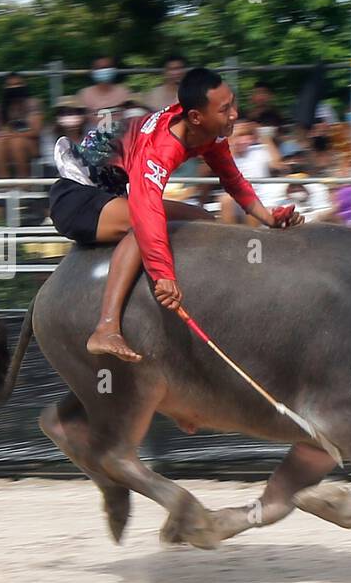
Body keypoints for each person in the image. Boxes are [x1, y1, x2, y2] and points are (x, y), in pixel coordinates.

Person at [45, 66, 303, 362]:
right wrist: (163, 275)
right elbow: (146, 209)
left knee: (206, 220)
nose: (234, 114)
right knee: (143, 222)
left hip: (108, 192)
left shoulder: (208, 132)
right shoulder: (161, 147)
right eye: (225, 109)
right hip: (77, 199)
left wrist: (268, 218)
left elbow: (232, 179)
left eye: (233, 103)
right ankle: (106, 326)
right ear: (196, 117)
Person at [0, 72, 42, 179]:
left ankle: (24, 183)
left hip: (31, 143)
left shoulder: (32, 103)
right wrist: (8, 135)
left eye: (18, 84)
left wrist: (15, 135)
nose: (14, 87)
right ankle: (3, 182)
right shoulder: (5, 107)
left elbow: (35, 131)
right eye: (10, 85)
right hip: (10, 141)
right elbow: (4, 129)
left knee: (16, 143)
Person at [80, 55, 131, 131]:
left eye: (107, 67)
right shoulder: (85, 94)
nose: (104, 70)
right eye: (100, 68)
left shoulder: (123, 92)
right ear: (94, 71)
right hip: (93, 132)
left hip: (121, 131)